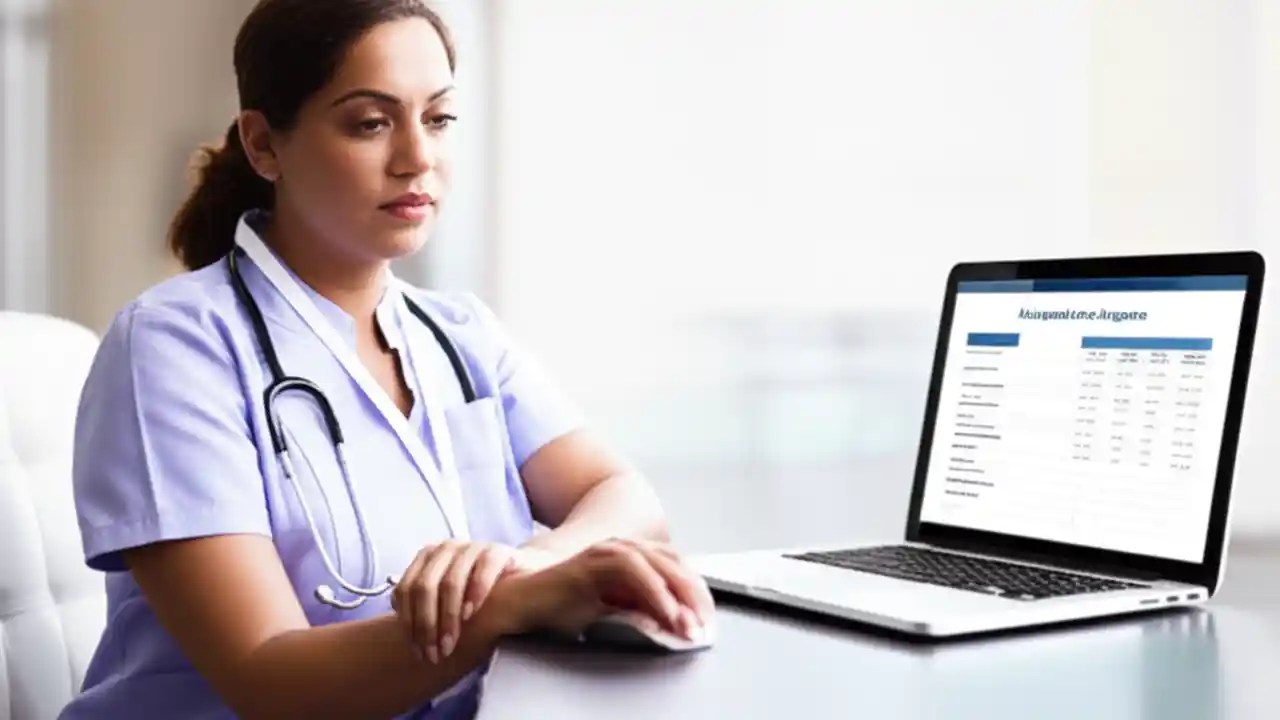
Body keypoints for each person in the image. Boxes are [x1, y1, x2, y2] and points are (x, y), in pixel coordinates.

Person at [61, 1, 714, 718]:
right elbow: (268, 680)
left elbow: (627, 498)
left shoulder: (458, 334)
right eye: (371, 123)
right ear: (263, 145)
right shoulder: (171, 348)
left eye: (437, 119)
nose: (417, 158)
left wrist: (524, 567)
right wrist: (501, 608)